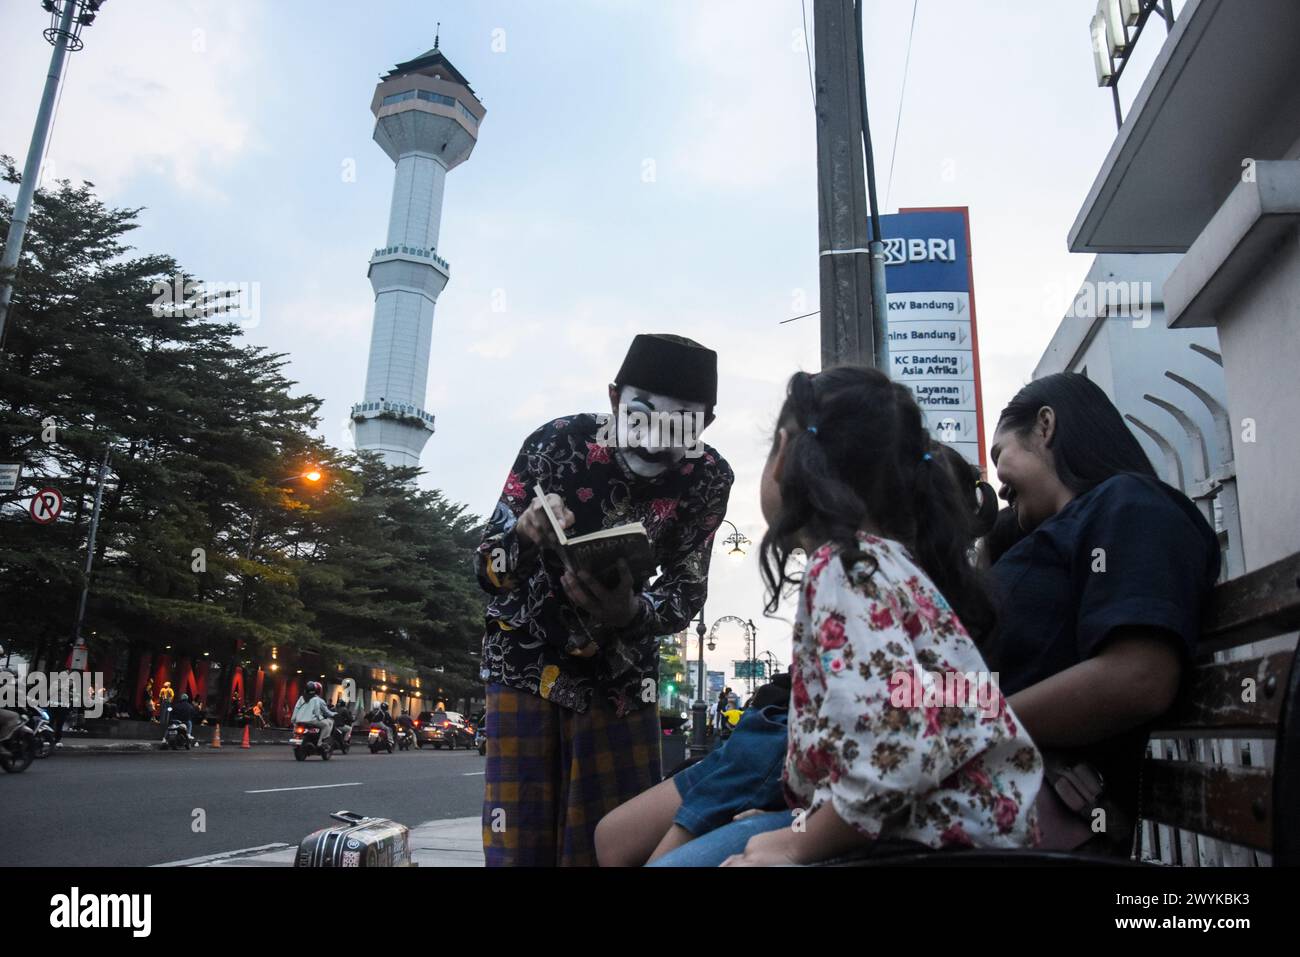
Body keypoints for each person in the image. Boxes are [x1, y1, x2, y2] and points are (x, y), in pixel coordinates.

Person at [652, 366, 1042, 867]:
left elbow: (898, 748)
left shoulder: (846, 568)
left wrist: (799, 843)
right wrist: (804, 820)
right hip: (950, 829)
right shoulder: (882, 565)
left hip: (937, 842)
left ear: (786, 455)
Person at [476, 333, 734, 866]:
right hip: (526, 661)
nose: (657, 439)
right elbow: (486, 570)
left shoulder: (708, 476)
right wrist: (523, 535)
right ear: (615, 398)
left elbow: (686, 589)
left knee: (614, 840)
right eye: (642, 416)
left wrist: (631, 613)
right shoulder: (555, 443)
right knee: (519, 842)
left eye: (681, 423)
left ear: (706, 423)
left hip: (621, 673)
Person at [986, 372, 1220, 854]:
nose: (998, 481)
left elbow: (1139, 677)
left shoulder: (1129, 504)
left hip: (1030, 819)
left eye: (999, 454)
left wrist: (967, 729)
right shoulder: (1064, 528)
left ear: (1045, 426)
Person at [596, 674, 792, 866]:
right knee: (609, 837)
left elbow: (812, 812)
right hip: (763, 723)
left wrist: (797, 823)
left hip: (783, 747)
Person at [291, 682, 335, 746]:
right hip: (311, 720)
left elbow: (296, 709)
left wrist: (293, 720)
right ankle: (320, 742)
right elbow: (317, 712)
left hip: (299, 720)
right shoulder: (317, 700)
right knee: (326, 725)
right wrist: (321, 718)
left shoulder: (301, 698)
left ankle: (295, 737)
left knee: (296, 727)